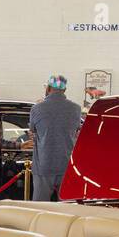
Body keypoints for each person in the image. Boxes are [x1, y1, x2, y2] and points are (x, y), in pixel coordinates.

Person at [28, 74, 82, 202]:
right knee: (66, 208)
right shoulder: (76, 109)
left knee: (41, 208)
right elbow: (76, 131)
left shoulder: (37, 108)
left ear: (48, 88)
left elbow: (32, 131)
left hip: (44, 166)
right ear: (64, 90)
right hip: (66, 165)